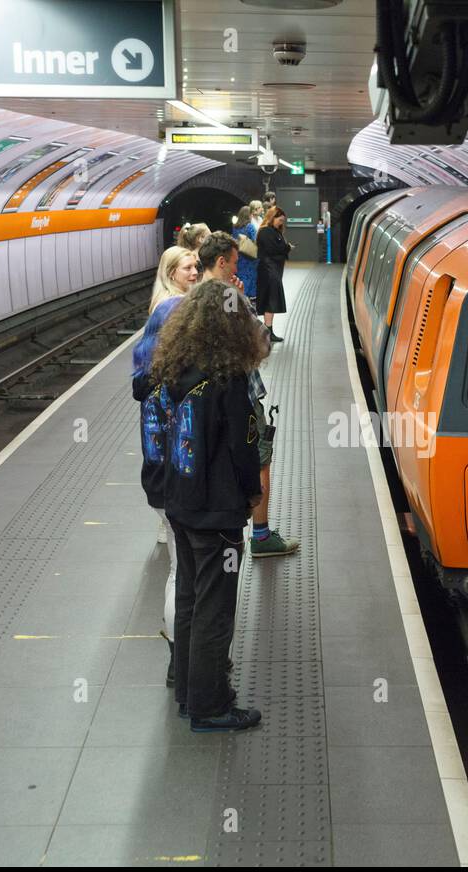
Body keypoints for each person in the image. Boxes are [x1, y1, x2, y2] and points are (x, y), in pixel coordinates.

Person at [148, 278, 267, 732]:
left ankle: (188, 694)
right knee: (217, 606)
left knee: (191, 599)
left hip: (179, 502)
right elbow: (242, 447)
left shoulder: (175, 368)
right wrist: (251, 494)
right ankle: (211, 705)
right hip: (218, 510)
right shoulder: (229, 379)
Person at [196, 232, 300, 559]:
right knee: (260, 459)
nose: (238, 267)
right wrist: (245, 306)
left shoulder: (195, 296)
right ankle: (261, 534)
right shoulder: (229, 297)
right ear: (222, 261)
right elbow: (260, 346)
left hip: (209, 396)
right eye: (235, 261)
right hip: (242, 391)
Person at [135, 247, 199, 687]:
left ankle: (183, 656)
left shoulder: (151, 370)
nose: (194, 272)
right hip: (177, 480)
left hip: (160, 477)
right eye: (188, 267)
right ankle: (182, 660)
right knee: (184, 570)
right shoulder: (177, 383)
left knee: (183, 566)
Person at [256, 205, 292, 343]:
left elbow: (278, 248)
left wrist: (284, 247)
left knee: (271, 300)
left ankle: (268, 331)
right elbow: (274, 249)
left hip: (273, 269)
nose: (281, 223)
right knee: (270, 301)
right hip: (268, 270)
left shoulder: (273, 231)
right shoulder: (266, 232)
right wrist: (287, 247)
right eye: (280, 220)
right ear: (272, 218)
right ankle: (268, 332)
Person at [149, 245, 199, 314]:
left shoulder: (170, 300)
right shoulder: (171, 306)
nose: (195, 272)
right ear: (171, 273)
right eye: (188, 268)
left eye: (195, 266)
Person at [232, 204, 259, 304]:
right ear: (249, 215)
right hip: (250, 257)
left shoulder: (235, 227)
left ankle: (240, 297)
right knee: (250, 278)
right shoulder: (250, 226)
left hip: (239, 256)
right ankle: (249, 300)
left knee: (240, 277)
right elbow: (256, 240)